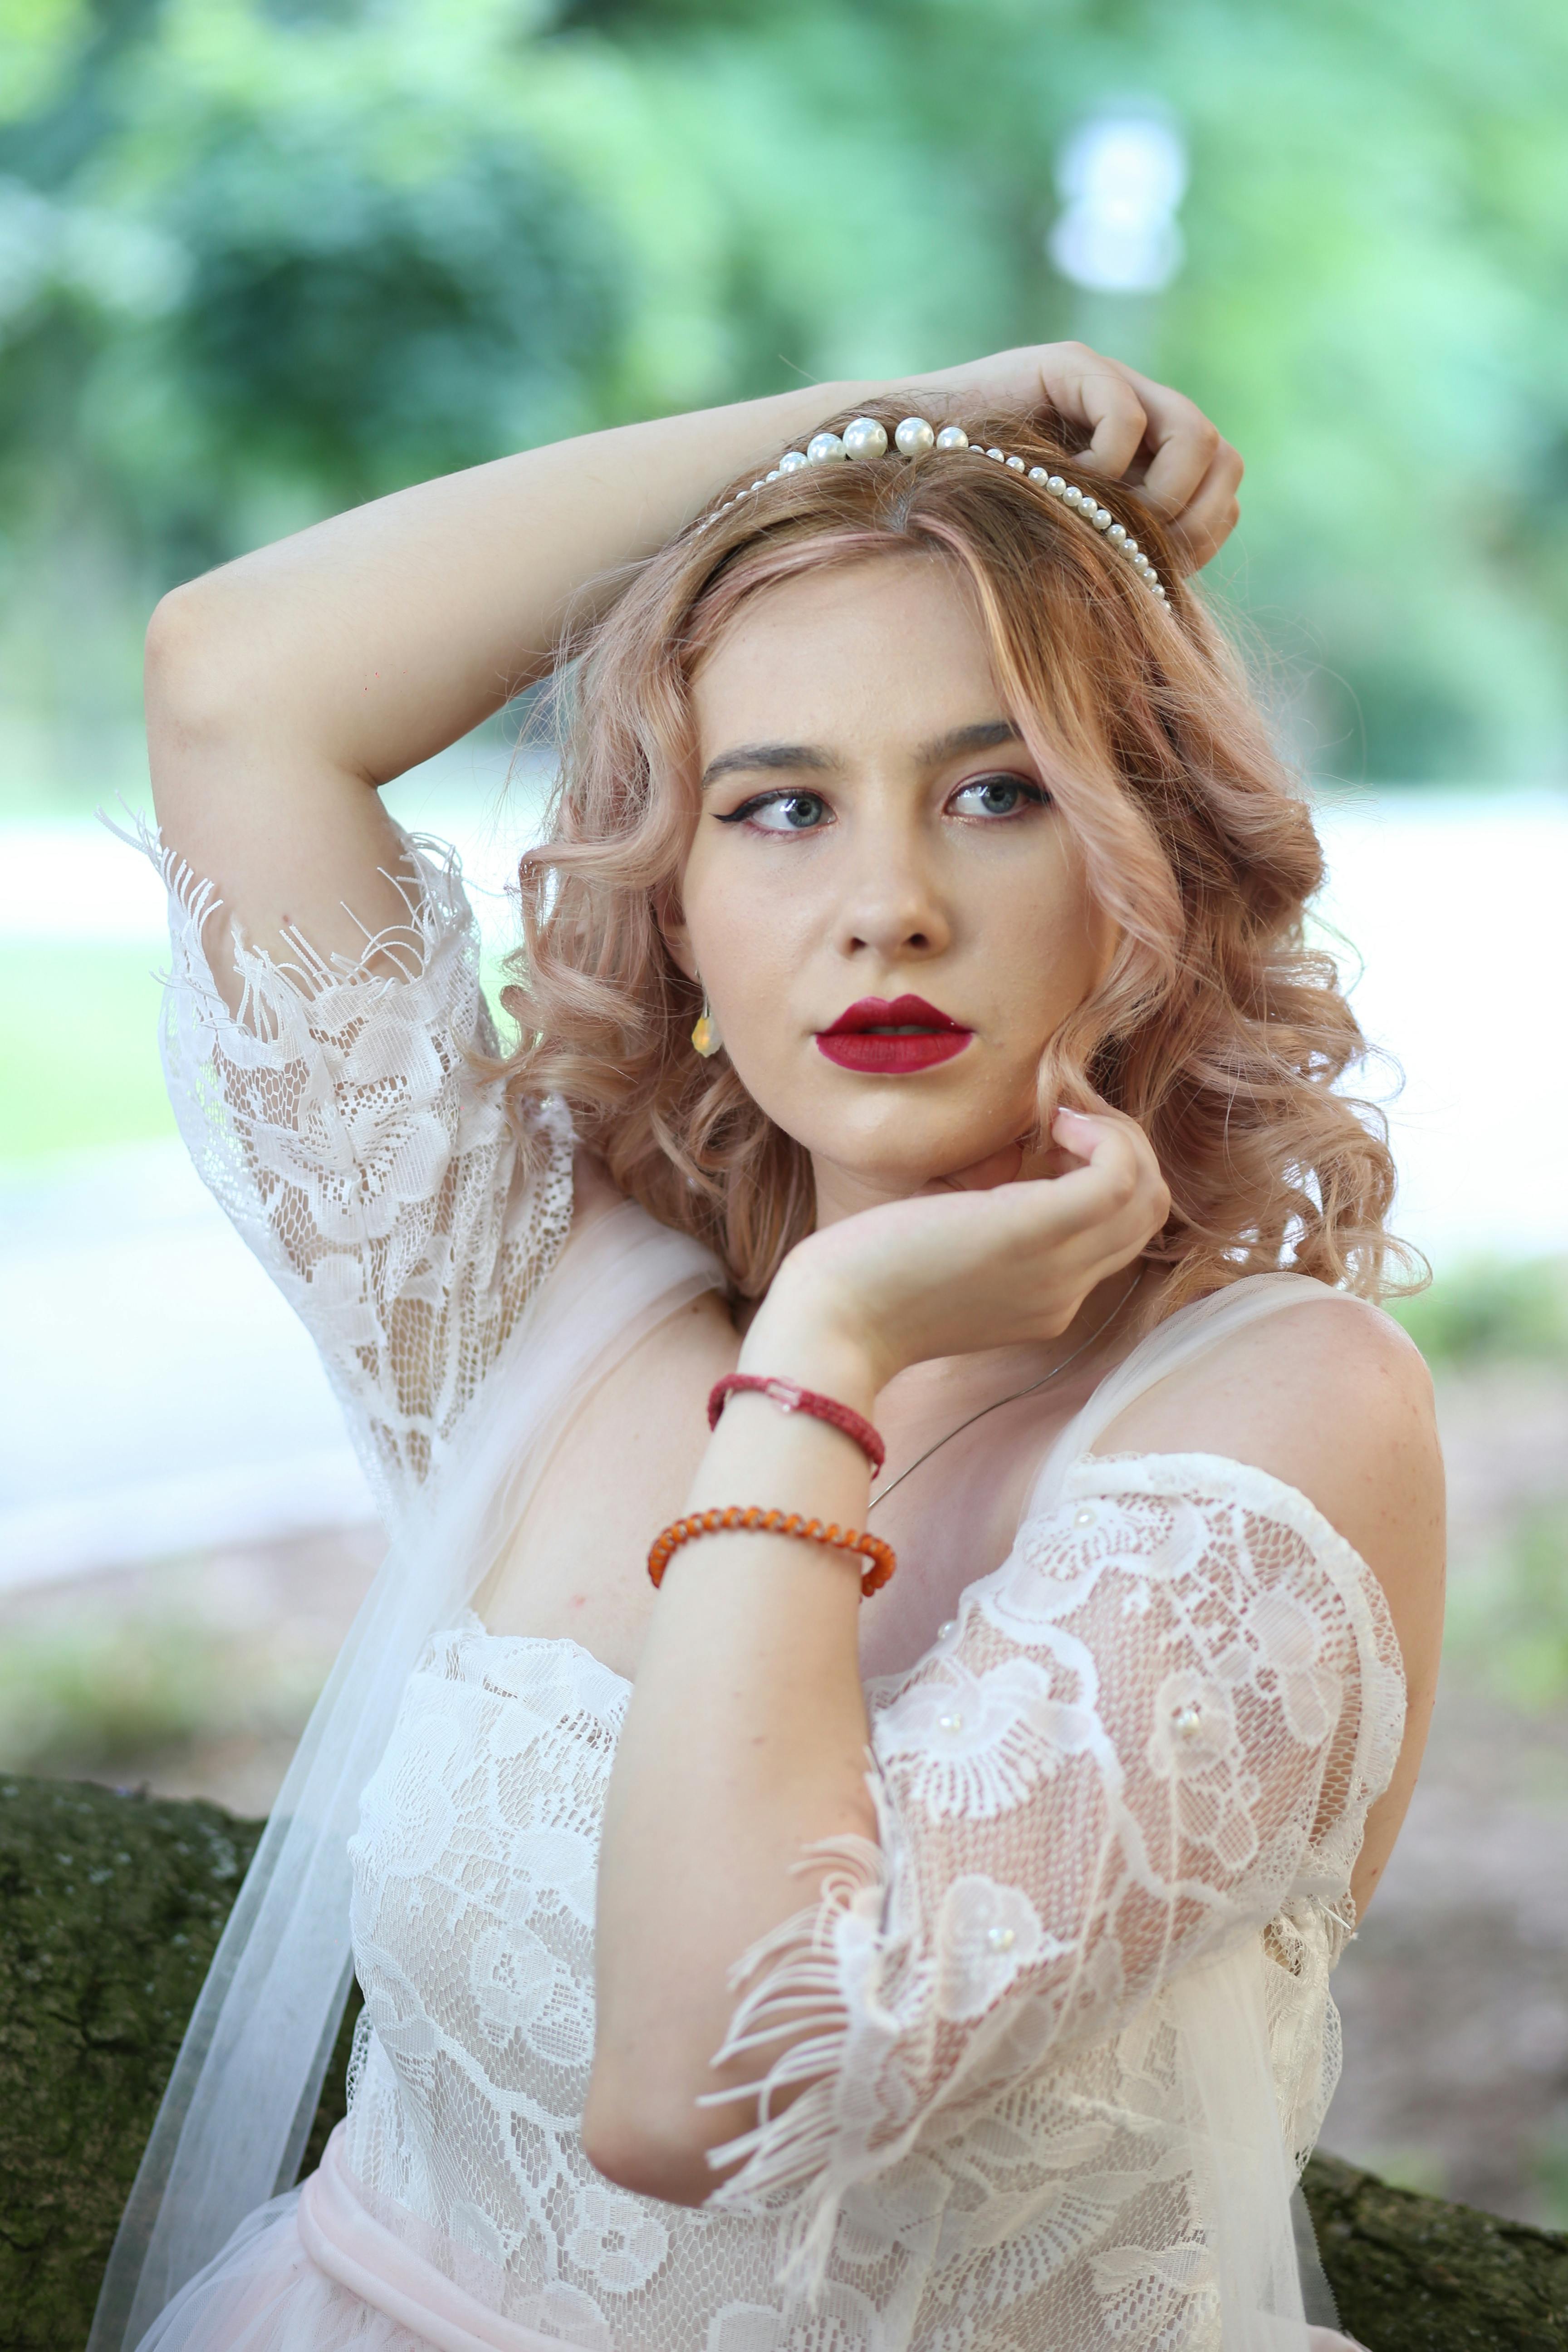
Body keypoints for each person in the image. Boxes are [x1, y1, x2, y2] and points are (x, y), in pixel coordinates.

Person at [90, 343, 1443, 2352]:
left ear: (1149, 874)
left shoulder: (1284, 1414)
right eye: (783, 805)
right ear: (681, 907)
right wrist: (890, 412)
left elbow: (701, 2091)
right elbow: (240, 677)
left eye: (997, 793)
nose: (886, 904)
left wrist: (830, 1347)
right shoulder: (530, 1316)